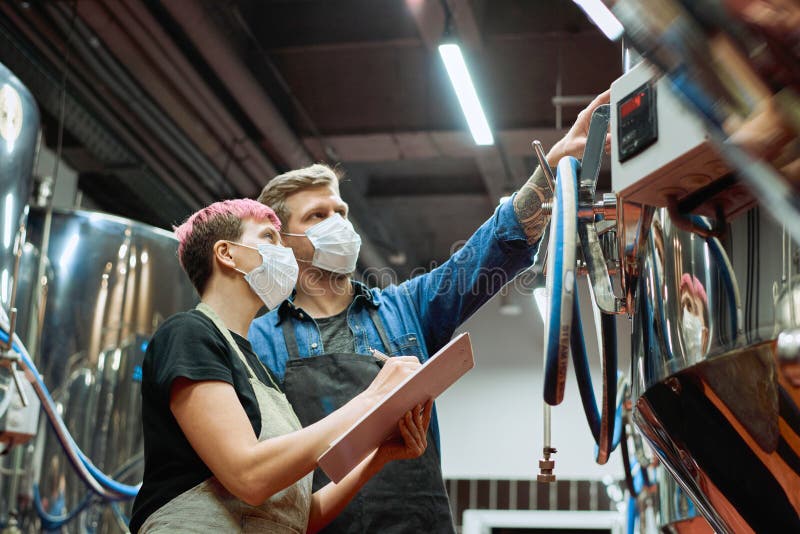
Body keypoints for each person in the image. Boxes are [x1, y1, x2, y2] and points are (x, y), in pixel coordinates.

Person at [248, 92, 611, 533]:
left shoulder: (406, 309)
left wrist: (551, 168)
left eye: (341, 211)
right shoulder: (257, 340)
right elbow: (258, 471)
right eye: (317, 215)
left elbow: (489, 251)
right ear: (282, 239)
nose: (338, 223)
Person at [130, 199, 432, 533]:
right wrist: (373, 399)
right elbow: (249, 475)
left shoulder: (261, 372)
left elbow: (303, 515)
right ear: (227, 254)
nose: (283, 250)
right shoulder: (188, 333)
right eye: (269, 238)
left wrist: (380, 454)